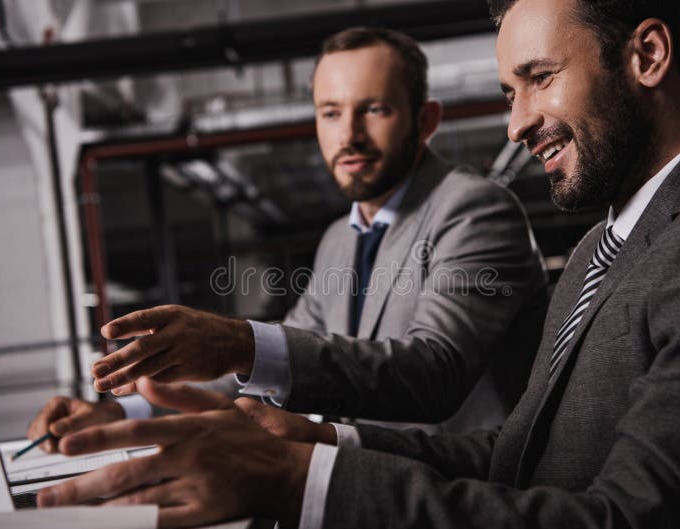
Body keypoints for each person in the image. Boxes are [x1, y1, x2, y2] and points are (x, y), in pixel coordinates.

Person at [37, 0, 680, 529]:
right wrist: (319, 439)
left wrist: (308, 477)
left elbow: (646, 517)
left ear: (648, 57)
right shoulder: (601, 250)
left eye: (540, 78)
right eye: (512, 94)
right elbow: (520, 455)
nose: (515, 124)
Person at [27, 27, 548, 451]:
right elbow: (258, 368)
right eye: (330, 113)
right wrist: (117, 410)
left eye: (375, 109)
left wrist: (240, 341)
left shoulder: (474, 210)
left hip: (469, 497)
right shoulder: (339, 241)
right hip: (374, 487)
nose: (349, 135)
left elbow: (434, 372)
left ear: (426, 119)